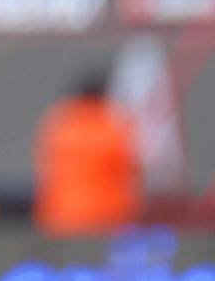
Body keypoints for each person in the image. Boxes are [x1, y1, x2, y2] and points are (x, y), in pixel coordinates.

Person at [34, 74, 142, 237]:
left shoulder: (60, 126)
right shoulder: (114, 127)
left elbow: (46, 171)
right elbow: (132, 168)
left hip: (64, 215)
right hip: (109, 216)